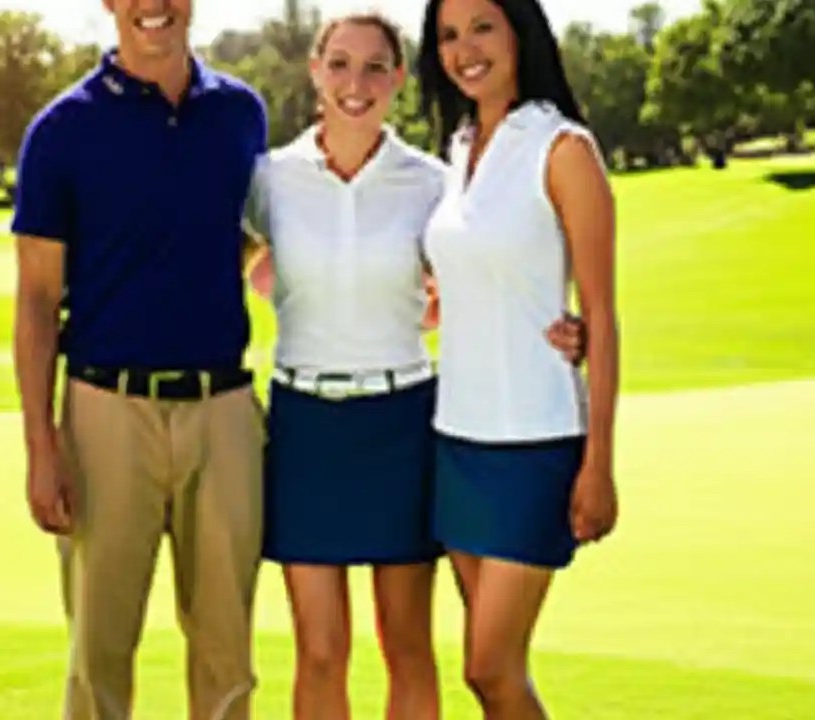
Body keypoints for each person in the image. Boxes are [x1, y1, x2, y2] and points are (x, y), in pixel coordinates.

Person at [245, 11, 584, 720]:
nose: (356, 83)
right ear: (314, 71)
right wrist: (266, 270)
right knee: (318, 650)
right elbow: (220, 247)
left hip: (403, 421)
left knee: (406, 643)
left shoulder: (433, 180)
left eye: (376, 66)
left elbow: (488, 260)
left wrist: (560, 329)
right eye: (339, 64)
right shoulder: (269, 178)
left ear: (399, 78)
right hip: (304, 426)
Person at [10, 1, 269, 718]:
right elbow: (35, 298)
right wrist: (41, 444)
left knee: (229, 662)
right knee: (99, 661)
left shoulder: (242, 114)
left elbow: (249, 238)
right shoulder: (62, 130)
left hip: (224, 412)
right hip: (105, 414)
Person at [418, 0, 621, 717]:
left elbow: (600, 312)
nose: (464, 48)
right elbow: (475, 268)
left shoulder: (564, 148)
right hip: (456, 437)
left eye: (482, 27)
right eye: (448, 34)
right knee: (492, 675)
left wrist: (598, 463)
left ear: (519, 34)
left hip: (533, 440)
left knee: (489, 665)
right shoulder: (458, 149)